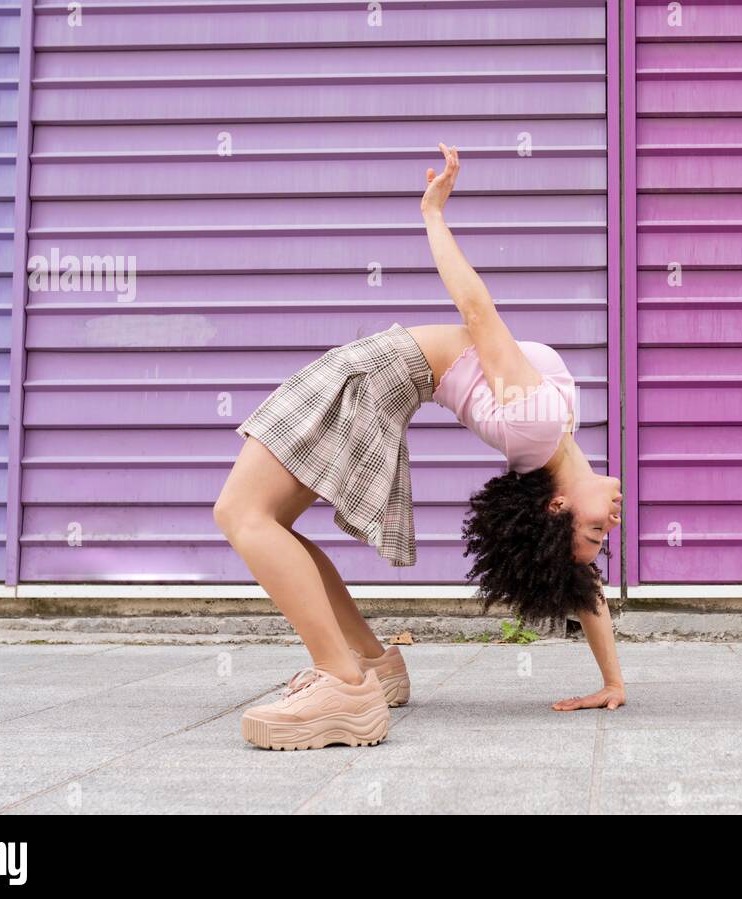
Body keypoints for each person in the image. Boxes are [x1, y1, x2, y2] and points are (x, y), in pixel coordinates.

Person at [214, 143, 625, 751]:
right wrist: (613, 679)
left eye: (596, 534)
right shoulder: (553, 436)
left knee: (242, 515)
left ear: (557, 507)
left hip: (372, 374)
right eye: (601, 538)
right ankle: (373, 666)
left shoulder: (538, 427)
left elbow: (476, 309)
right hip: (380, 381)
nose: (610, 527)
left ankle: (344, 686)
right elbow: (582, 584)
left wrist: (433, 215)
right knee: (268, 523)